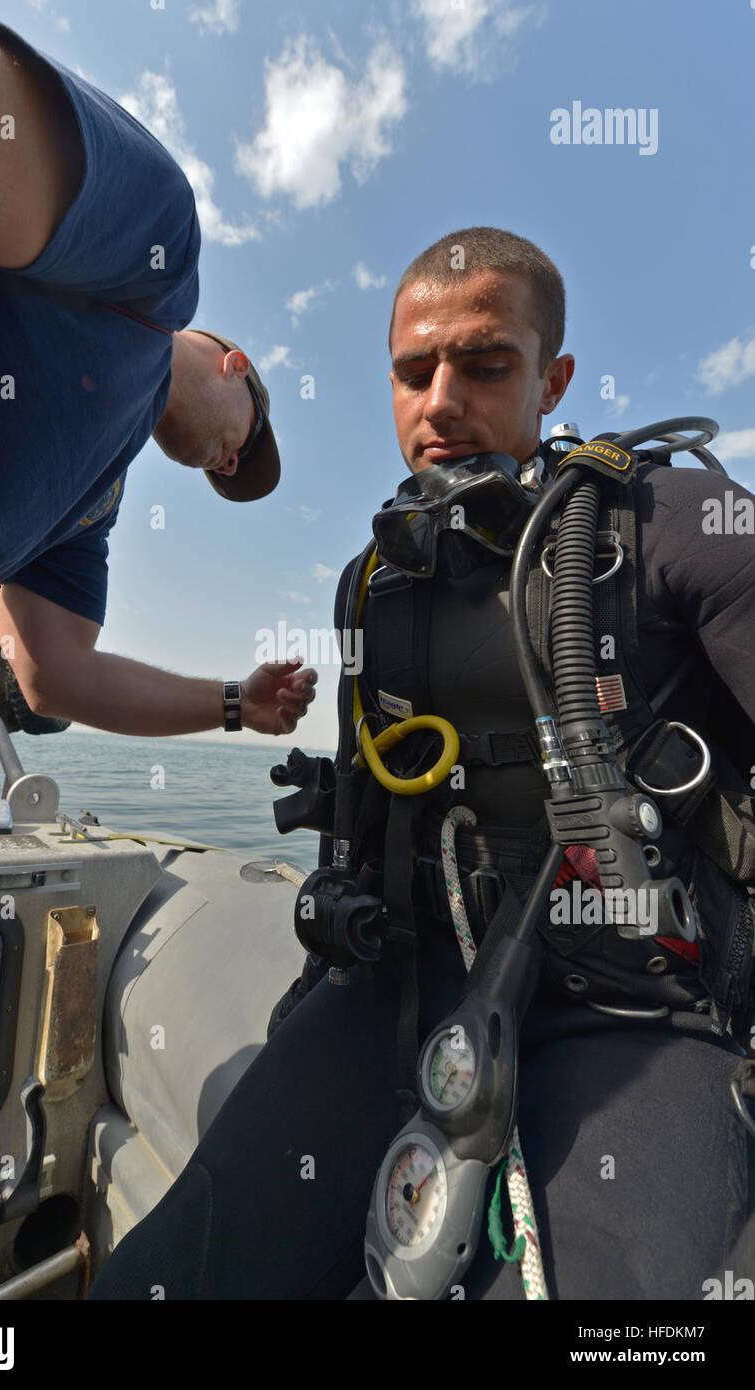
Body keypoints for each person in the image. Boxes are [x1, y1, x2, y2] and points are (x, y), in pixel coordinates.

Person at [89, 226, 755, 1301]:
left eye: (484, 364)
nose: (439, 398)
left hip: (637, 1014)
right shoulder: (376, 583)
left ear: (554, 381)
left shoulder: (671, 530)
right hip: (398, 994)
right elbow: (364, 815)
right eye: (413, 370)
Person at [0, 12, 315, 1085]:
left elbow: (54, 672)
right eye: (238, 449)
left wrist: (231, 705)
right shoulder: (158, 260)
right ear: (236, 367)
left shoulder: (87, 502)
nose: (219, 466)